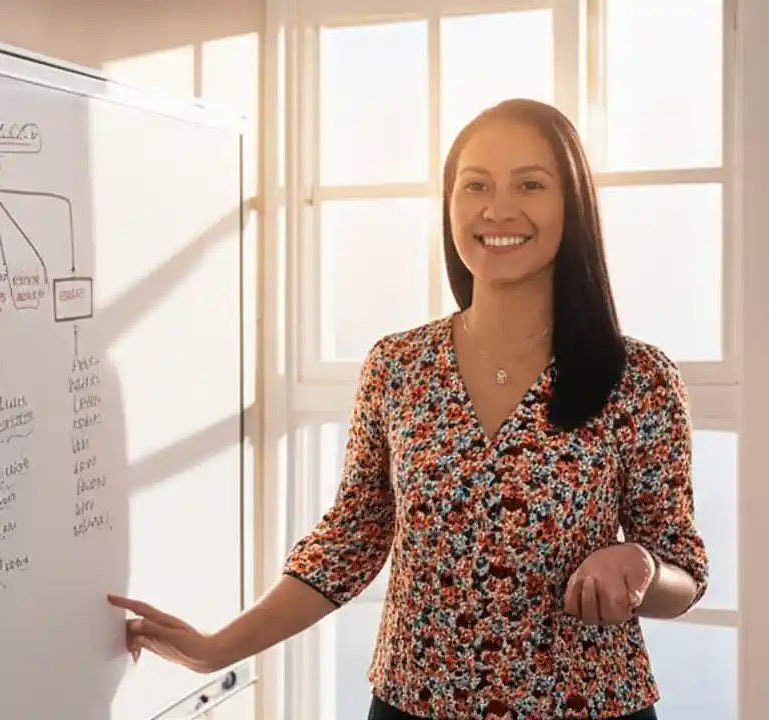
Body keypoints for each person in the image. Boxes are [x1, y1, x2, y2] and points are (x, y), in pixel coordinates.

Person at [107, 98, 709, 720]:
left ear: (572, 205)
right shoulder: (397, 367)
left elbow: (683, 570)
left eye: (530, 184)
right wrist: (215, 650)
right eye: (476, 185)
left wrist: (639, 564)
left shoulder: (639, 379)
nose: (498, 208)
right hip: (413, 704)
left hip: (590, 707)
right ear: (450, 203)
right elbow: (348, 543)